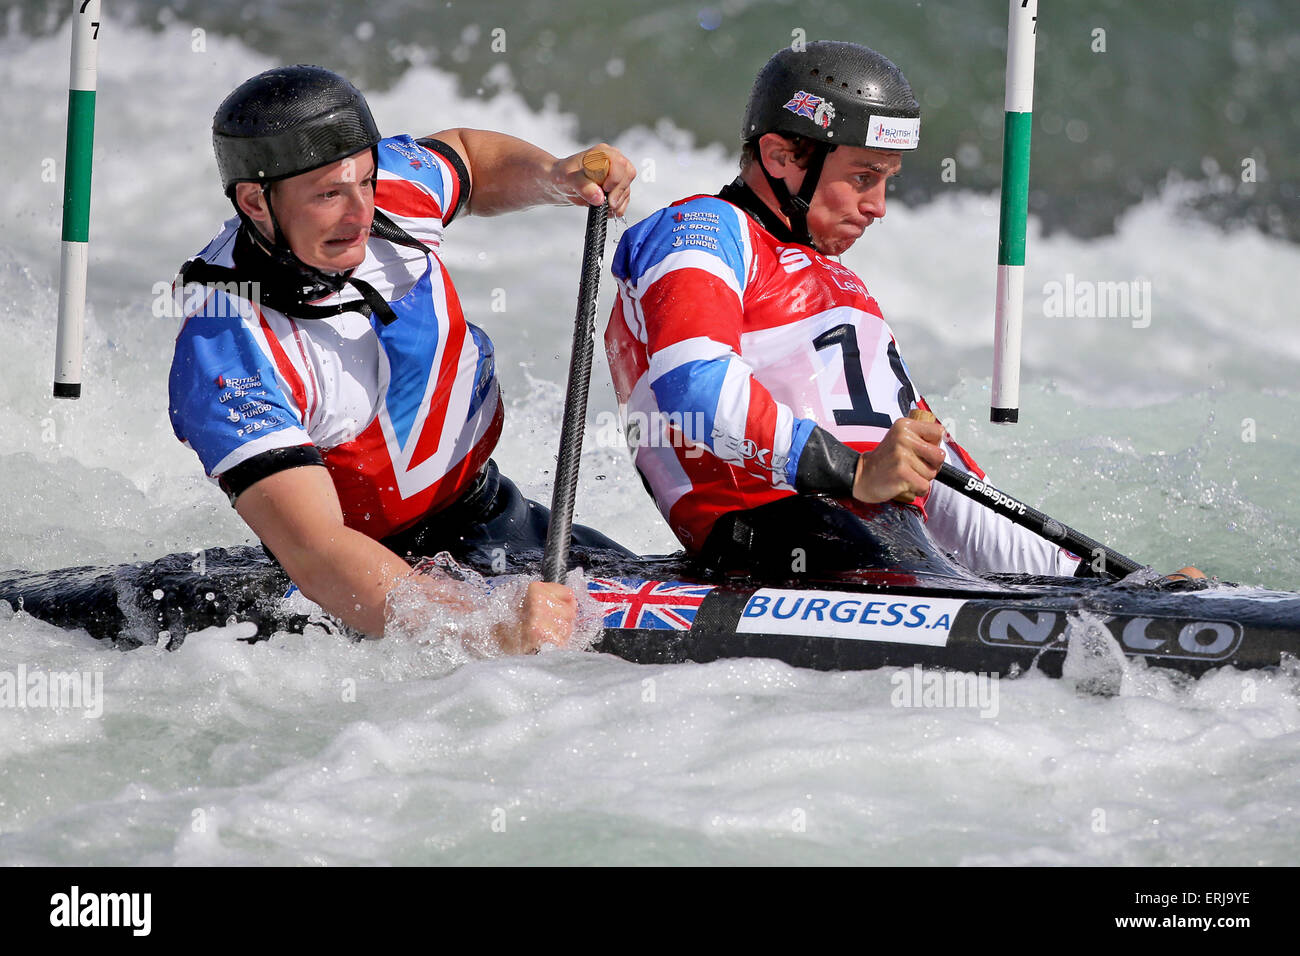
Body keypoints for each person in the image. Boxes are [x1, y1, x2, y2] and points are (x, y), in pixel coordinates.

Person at [605, 41, 1200, 582]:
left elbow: (935, 478)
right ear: (782, 155)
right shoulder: (700, 229)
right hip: (777, 538)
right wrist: (853, 472)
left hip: (885, 540)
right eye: (863, 177)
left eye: (887, 179)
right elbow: (694, 385)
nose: (879, 206)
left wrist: (1101, 587)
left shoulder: (843, 284)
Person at [168, 65, 636, 651]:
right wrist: (486, 627)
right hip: (367, 587)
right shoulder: (230, 350)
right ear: (254, 201)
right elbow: (317, 553)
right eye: (329, 196)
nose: (360, 212)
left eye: (365, 182)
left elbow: (467, 156)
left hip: (489, 510)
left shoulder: (381, 188)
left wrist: (555, 175)